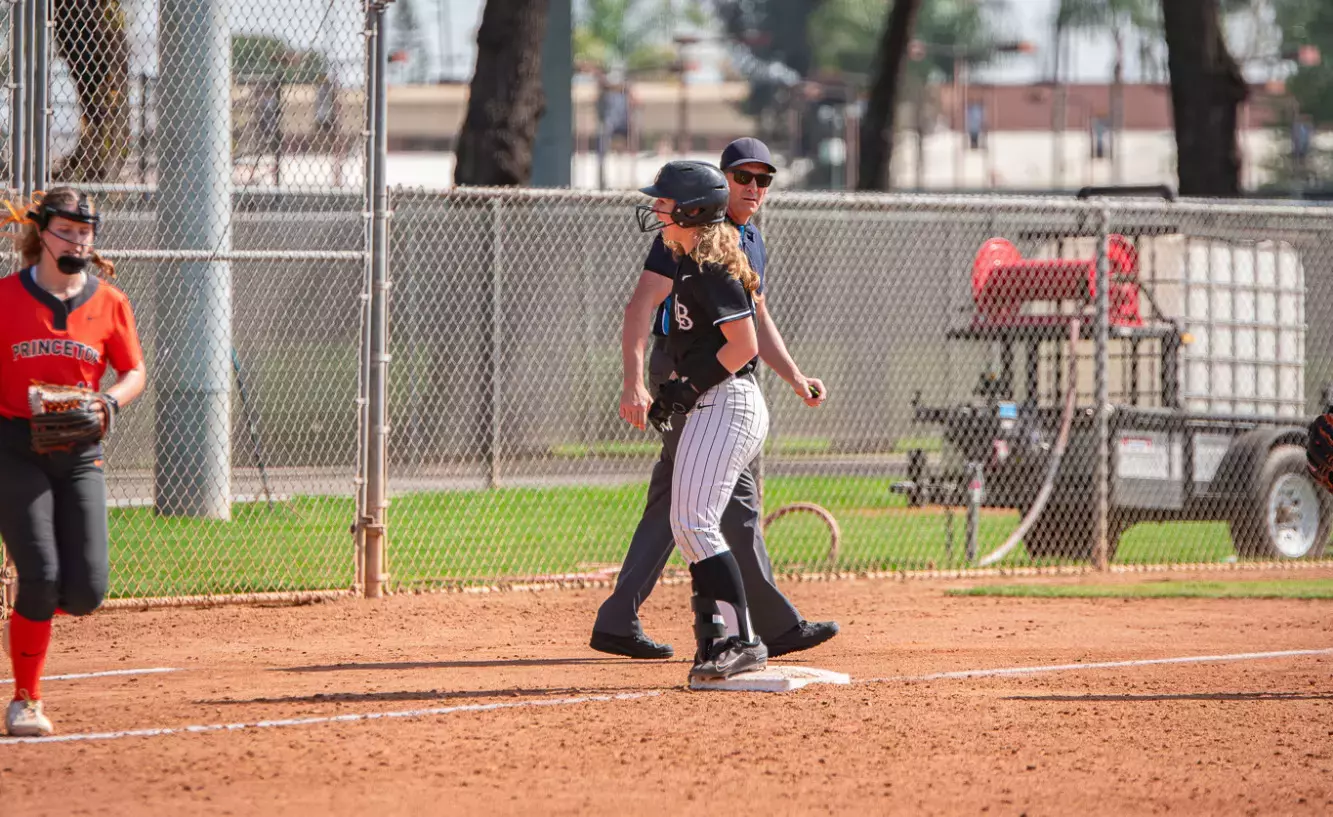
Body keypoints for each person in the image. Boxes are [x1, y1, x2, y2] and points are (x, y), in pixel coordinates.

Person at [592, 138, 838, 657]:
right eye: (742, 177)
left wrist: (793, 376)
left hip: (721, 378)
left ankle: (762, 624)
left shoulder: (743, 242)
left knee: (714, 504)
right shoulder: (690, 234)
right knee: (692, 505)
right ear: (718, 183)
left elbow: (755, 323)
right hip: (688, 368)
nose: (753, 187)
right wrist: (635, 379)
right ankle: (758, 626)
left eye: (763, 179)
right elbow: (641, 307)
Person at [621, 159, 781, 680]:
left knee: (694, 524)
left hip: (729, 404)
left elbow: (744, 346)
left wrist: (687, 387)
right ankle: (714, 639)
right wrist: (676, 391)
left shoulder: (712, 270)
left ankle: (743, 642)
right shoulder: (687, 263)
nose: (656, 210)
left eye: (664, 204)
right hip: (714, 403)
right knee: (690, 526)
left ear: (692, 212)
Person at [0, 188, 146, 736]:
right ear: (42, 233)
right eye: (68, 230)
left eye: (87, 232)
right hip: (14, 448)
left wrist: (108, 401)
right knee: (40, 576)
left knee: (85, 592)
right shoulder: (6, 298)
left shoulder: (109, 301)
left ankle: (28, 615)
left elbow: (134, 371)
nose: (79, 240)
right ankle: (25, 701)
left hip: (81, 452)